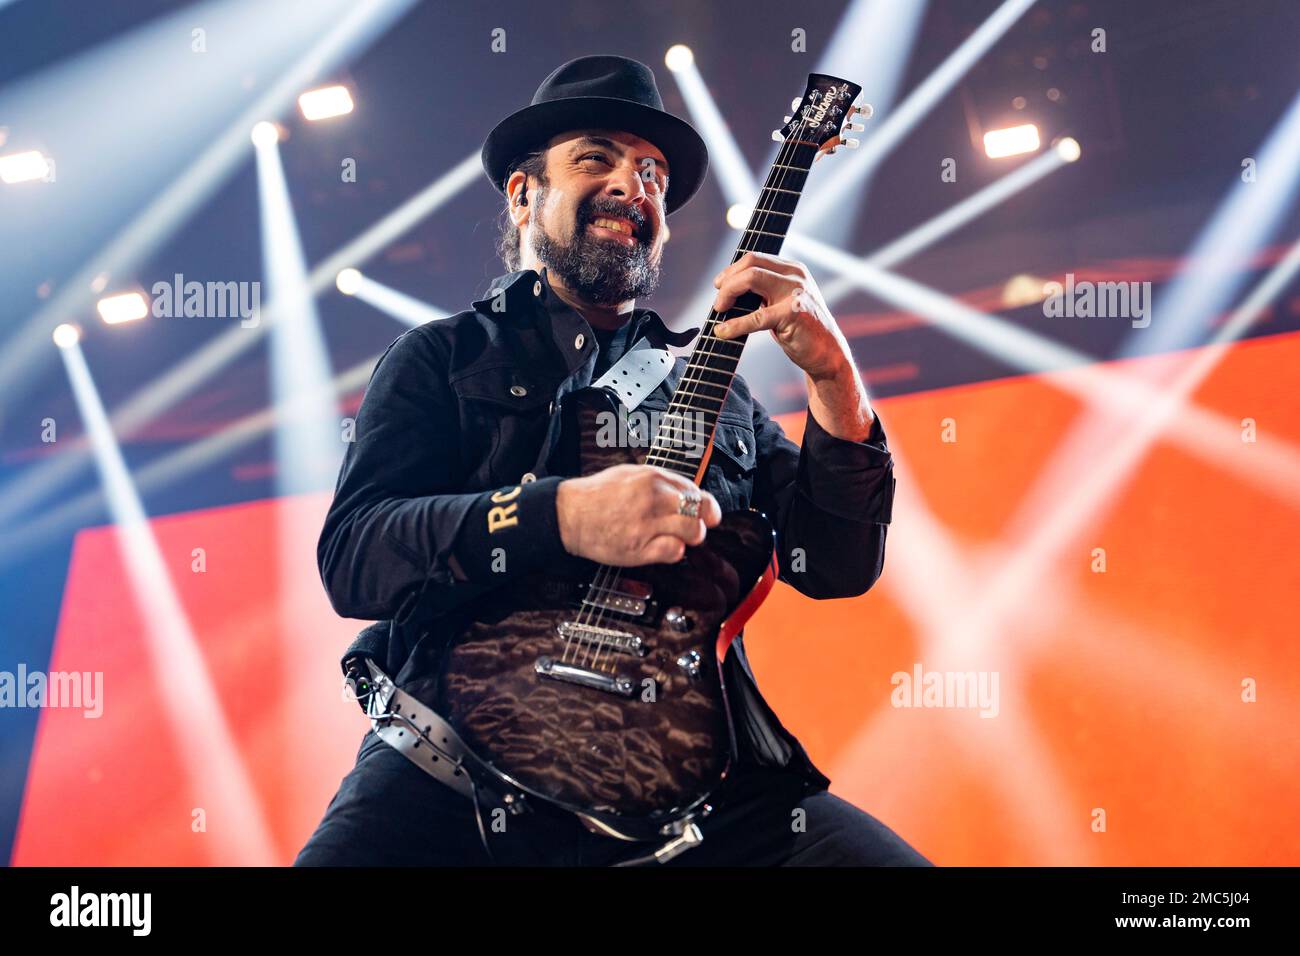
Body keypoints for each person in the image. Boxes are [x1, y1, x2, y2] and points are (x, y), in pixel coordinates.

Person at [295, 55, 929, 866]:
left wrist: (835, 379)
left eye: (655, 172)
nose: (636, 184)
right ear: (524, 195)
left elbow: (835, 563)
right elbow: (356, 560)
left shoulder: (716, 393)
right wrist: (558, 515)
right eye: (598, 157)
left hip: (697, 778)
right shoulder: (438, 358)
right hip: (455, 771)